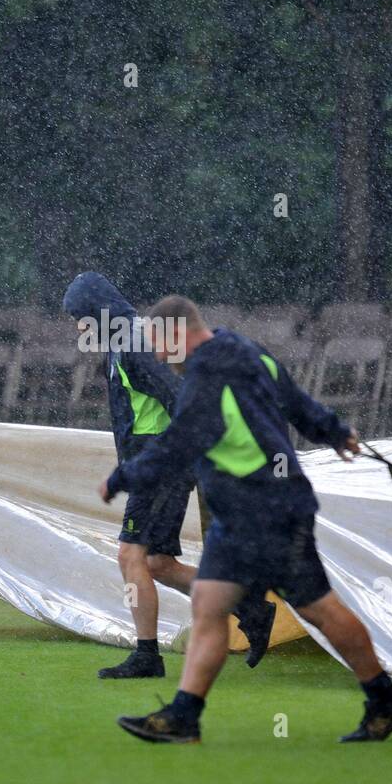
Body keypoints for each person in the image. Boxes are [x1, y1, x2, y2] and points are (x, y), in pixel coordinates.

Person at [101, 295, 392, 743]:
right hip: (241, 516)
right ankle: (183, 718)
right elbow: (296, 402)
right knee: (209, 608)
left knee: (319, 610)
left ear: (178, 332)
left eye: (160, 344)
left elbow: (179, 445)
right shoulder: (252, 352)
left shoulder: (206, 375)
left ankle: (386, 698)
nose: (157, 355)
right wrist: (335, 430)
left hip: (271, 511)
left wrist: (121, 477)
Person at [64, 273, 276, 678]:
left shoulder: (133, 343)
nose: (78, 326)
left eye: (80, 316)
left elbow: (182, 399)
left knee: (131, 555)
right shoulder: (123, 340)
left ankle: (147, 656)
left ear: (97, 311)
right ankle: (247, 605)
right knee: (159, 563)